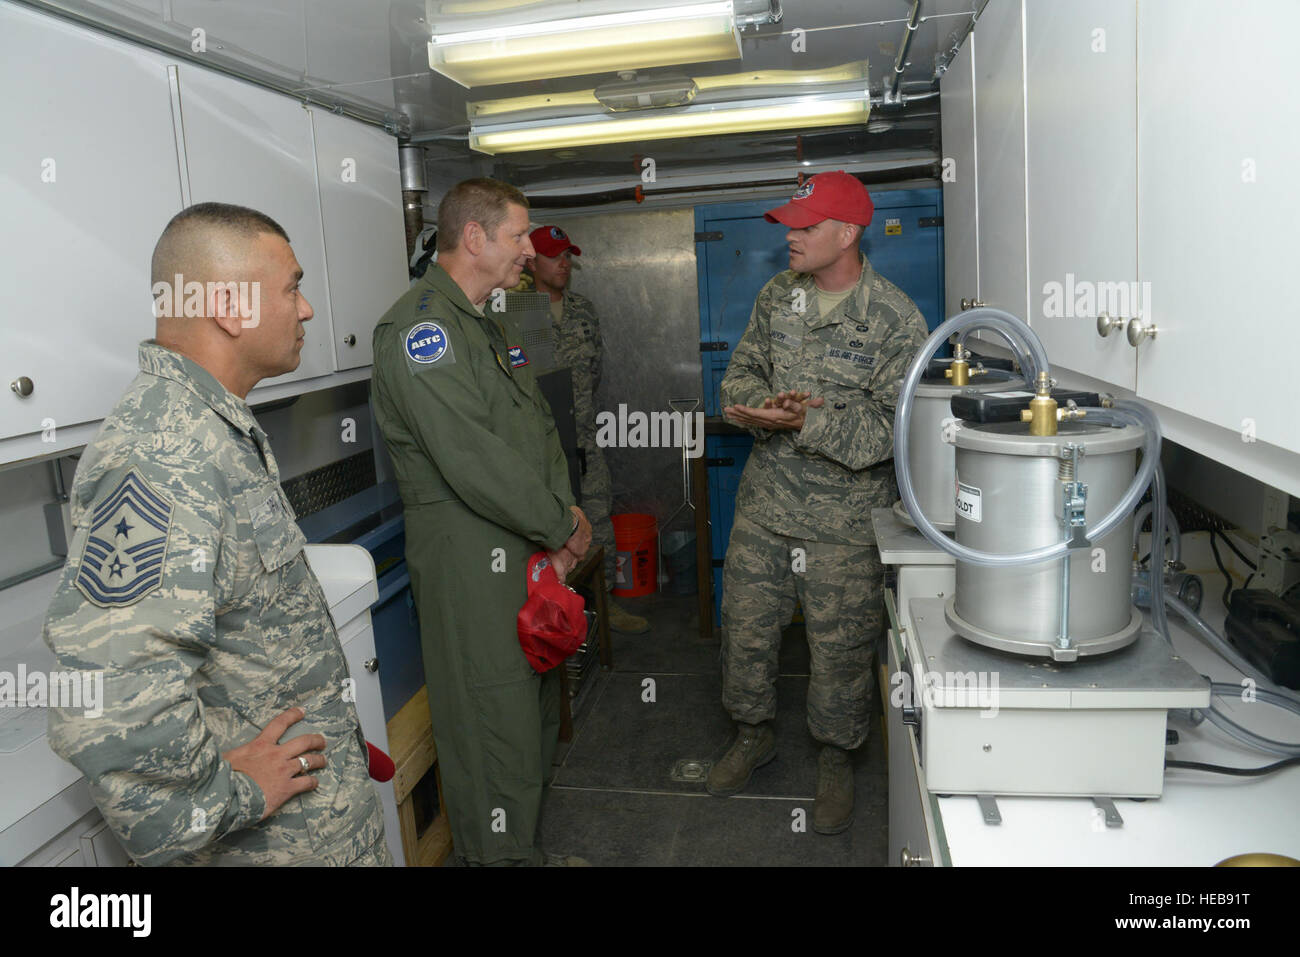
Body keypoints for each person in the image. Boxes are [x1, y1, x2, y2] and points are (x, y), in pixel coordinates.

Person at [43, 202, 390, 866]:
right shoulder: (158, 451)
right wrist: (224, 797)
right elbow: (111, 703)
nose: (308, 308)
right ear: (230, 308)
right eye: (292, 287)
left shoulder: (209, 426)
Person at [370, 178, 592, 866]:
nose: (529, 249)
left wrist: (565, 518)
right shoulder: (421, 331)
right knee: (492, 725)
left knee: (526, 720)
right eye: (519, 234)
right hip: (472, 563)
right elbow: (475, 460)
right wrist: (560, 524)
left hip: (522, 550)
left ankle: (520, 852)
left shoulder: (487, 322)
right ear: (474, 237)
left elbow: (532, 431)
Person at [706, 171, 929, 835]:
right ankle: (753, 734)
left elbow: (896, 429)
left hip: (844, 523)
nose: (790, 237)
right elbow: (740, 371)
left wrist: (806, 423)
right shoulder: (780, 296)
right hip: (767, 506)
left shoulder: (896, 318)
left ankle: (835, 758)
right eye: (790, 226)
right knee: (745, 632)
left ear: (848, 233)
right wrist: (756, 406)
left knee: (840, 652)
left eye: (805, 226)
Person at [526, 225, 649, 634]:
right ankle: (554, 610)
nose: (564, 263)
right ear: (530, 259)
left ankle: (605, 606)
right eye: (554, 255)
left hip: (584, 439)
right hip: (538, 445)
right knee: (546, 527)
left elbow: (593, 374)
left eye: (568, 256)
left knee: (597, 518)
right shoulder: (512, 312)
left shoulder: (583, 310)